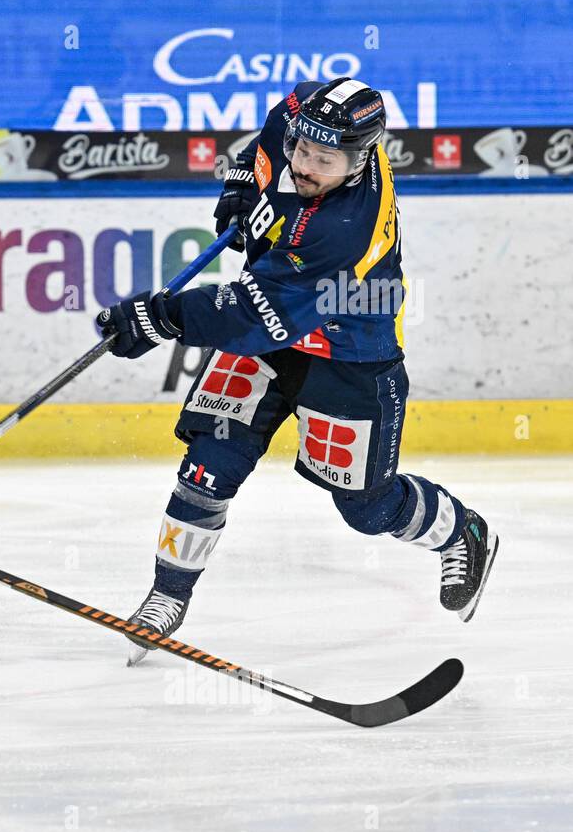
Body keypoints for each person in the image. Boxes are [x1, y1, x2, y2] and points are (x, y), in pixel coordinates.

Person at [94, 77, 500, 665]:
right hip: (267, 337)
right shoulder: (311, 113)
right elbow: (268, 140)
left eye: (323, 160)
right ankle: (166, 596)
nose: (304, 165)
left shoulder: (345, 229)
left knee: (367, 508)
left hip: (347, 354)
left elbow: (254, 317)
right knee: (209, 463)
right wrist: (242, 184)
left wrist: (159, 318)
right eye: (302, 150)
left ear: (361, 159)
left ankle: (460, 530)